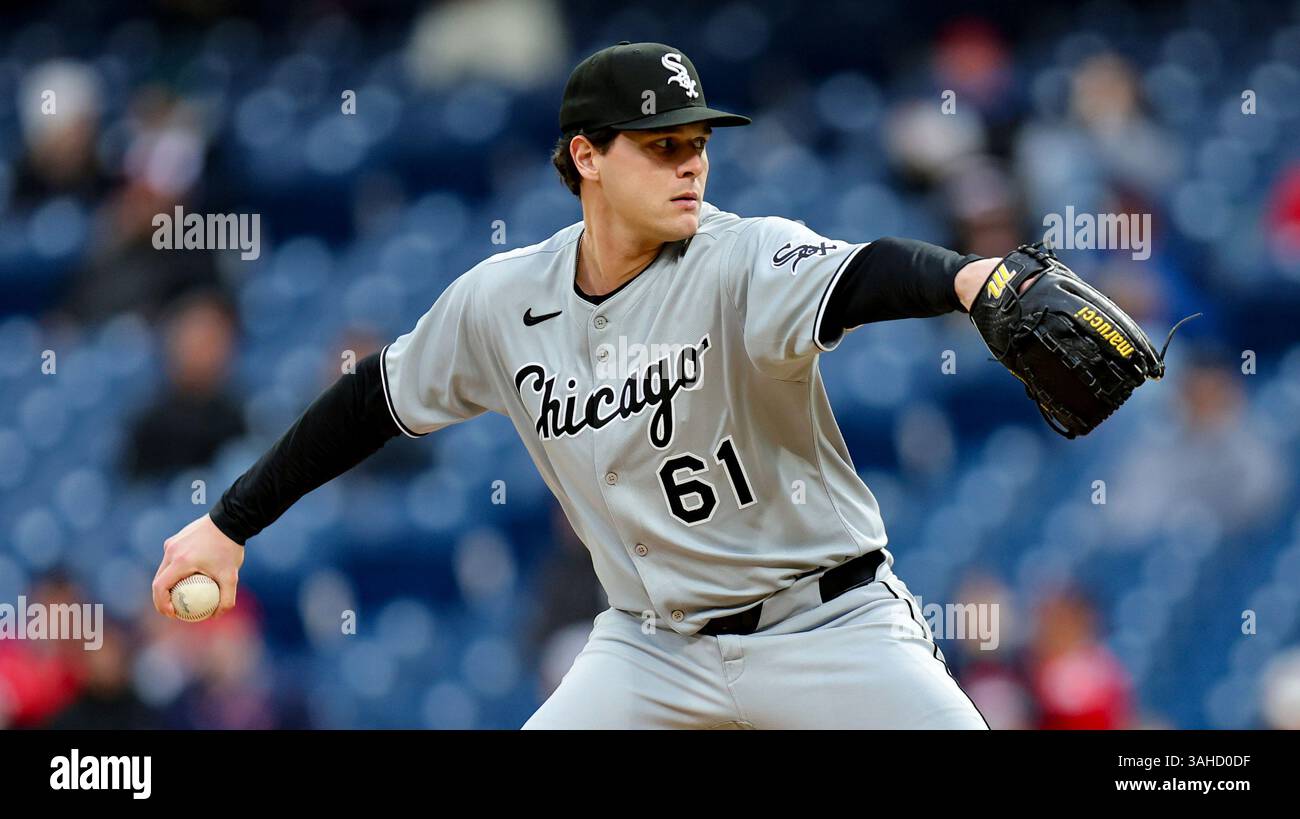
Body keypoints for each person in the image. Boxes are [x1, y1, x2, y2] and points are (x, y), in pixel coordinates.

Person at [153, 41, 1007, 729]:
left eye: (699, 144)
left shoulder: (740, 255)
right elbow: (369, 402)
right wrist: (231, 522)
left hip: (826, 627)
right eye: (663, 144)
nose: (691, 166)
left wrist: (972, 279)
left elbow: (870, 274)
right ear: (586, 155)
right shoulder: (504, 299)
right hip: (651, 648)